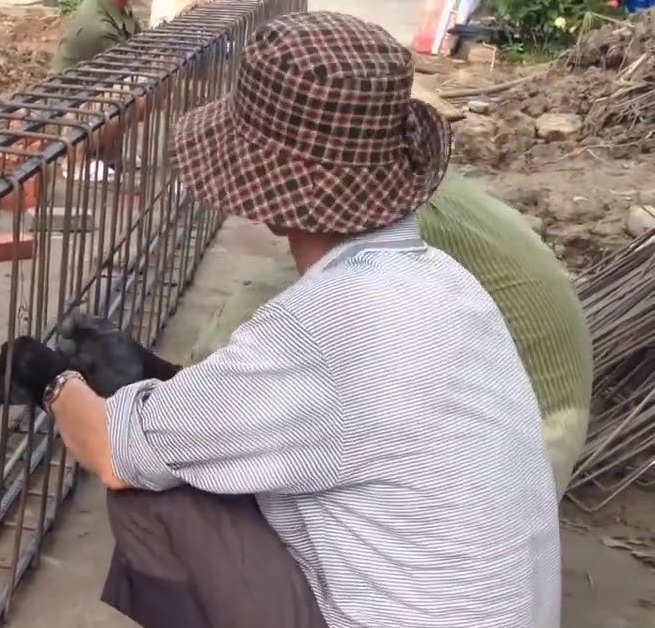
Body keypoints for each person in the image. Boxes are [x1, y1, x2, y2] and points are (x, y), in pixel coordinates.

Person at [0, 12, 561, 628]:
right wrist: (157, 379)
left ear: (271, 188)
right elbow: (307, 415)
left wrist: (49, 379)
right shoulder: (445, 285)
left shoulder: (330, 320)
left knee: (154, 496)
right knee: (200, 459)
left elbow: (112, 450)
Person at [189, 171, 594, 497]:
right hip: (523, 427)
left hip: (519, 458)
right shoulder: (405, 199)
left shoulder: (379, 239)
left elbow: (234, 346)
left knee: (194, 484)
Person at [47, 0, 143, 182]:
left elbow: (142, 50)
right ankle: (76, 161)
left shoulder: (117, 8)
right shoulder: (99, 27)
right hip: (65, 112)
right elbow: (128, 70)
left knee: (145, 87)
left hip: (89, 95)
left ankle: (105, 151)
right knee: (136, 90)